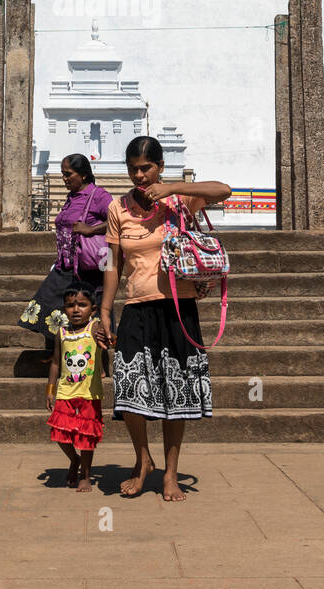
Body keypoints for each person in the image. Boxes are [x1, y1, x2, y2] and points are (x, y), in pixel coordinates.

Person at [96, 136, 230, 502]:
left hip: (178, 306)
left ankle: (170, 473)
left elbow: (224, 190)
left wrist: (171, 187)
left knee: (177, 392)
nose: (139, 176)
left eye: (146, 168)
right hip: (137, 306)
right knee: (128, 388)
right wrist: (105, 311)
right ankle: (143, 461)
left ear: (160, 167)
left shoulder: (178, 200)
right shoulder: (117, 208)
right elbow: (112, 263)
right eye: (133, 169)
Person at [18, 154, 112, 359]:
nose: (64, 179)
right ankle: (57, 351)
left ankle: (93, 359)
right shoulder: (72, 197)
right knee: (49, 303)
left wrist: (91, 229)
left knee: (87, 312)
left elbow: (116, 219)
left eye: (68, 174)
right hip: (64, 263)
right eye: (62, 174)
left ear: (84, 174)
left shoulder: (99, 196)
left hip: (87, 265)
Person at [45, 283, 104, 491]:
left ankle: (86, 475)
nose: (76, 309)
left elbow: (108, 341)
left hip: (89, 393)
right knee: (60, 433)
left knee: (87, 436)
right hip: (65, 391)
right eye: (71, 305)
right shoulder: (61, 333)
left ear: (92, 309)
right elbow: (55, 363)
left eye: (82, 305)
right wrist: (50, 390)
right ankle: (74, 460)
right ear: (64, 309)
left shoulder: (94, 327)